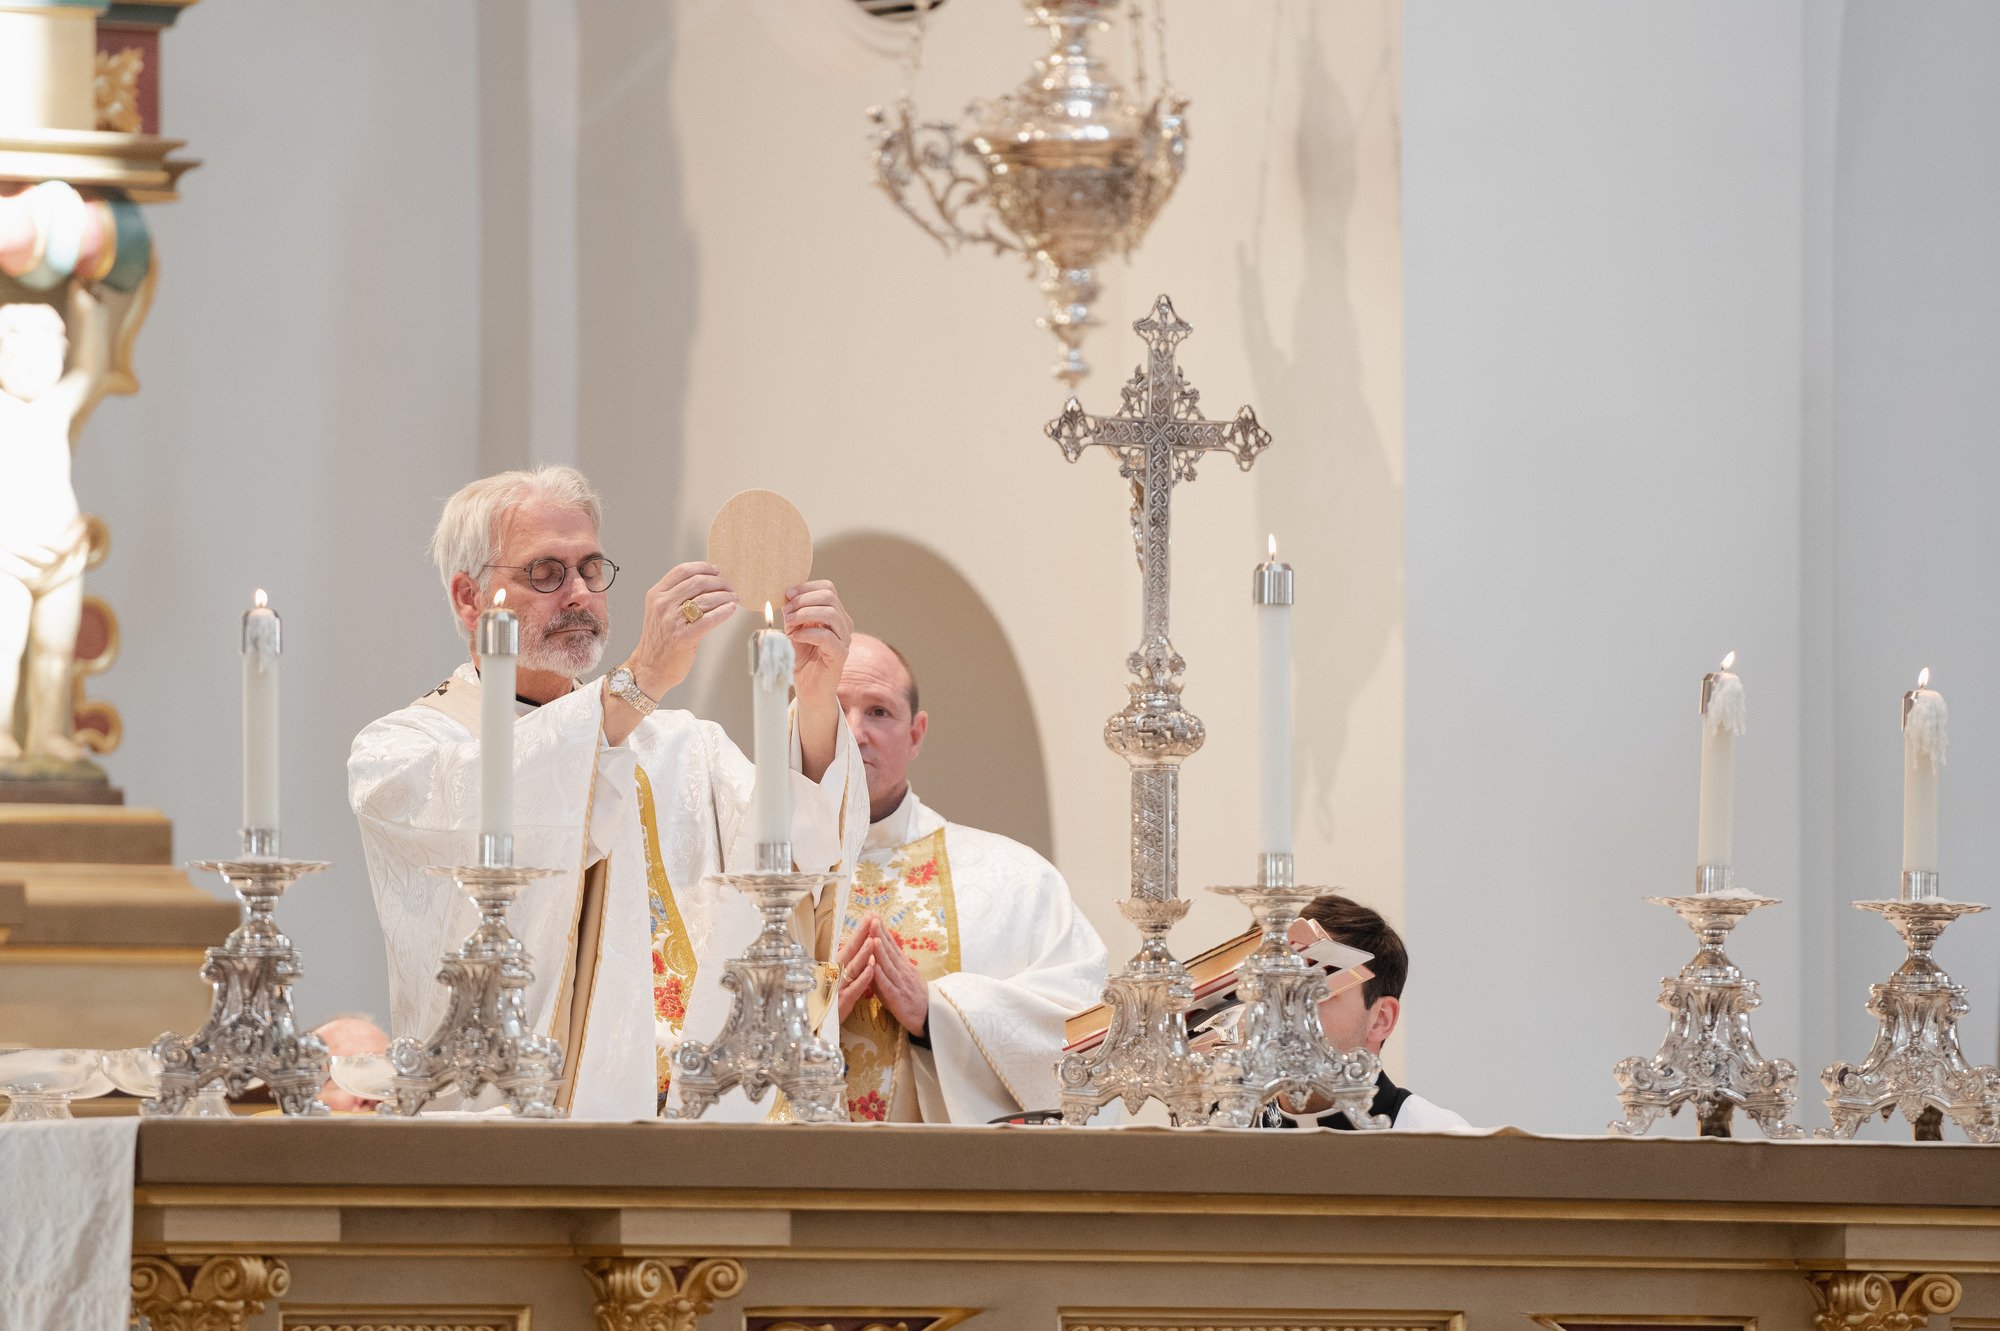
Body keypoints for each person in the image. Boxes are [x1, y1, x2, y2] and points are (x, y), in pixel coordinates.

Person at [348, 465, 865, 1121]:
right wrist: (640, 679)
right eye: (546, 572)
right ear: (468, 597)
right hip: (525, 1139)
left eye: (591, 569)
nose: (579, 594)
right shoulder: (402, 751)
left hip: (697, 1121)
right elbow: (497, 804)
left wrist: (817, 702)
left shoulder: (683, 745)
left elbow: (797, 862)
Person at [830, 633, 1106, 1122]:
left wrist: (938, 1014)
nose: (855, 732)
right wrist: (804, 1011)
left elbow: (1086, 1030)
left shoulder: (1016, 879)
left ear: (916, 734)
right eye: (832, 707)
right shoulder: (753, 879)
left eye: (878, 711)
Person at [1275, 893, 1471, 1132]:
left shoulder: (1442, 1141)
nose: (1286, 1007)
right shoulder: (1224, 1135)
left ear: (1380, 1020)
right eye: (1277, 987)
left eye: (1317, 991)